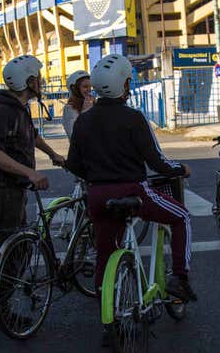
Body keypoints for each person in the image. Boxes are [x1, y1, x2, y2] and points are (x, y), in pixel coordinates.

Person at [66, 54, 197, 317]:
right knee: (181, 216)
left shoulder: (83, 121)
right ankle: (180, 277)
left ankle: (109, 316)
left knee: (105, 254)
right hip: (132, 191)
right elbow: (157, 161)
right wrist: (180, 169)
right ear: (123, 84)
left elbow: (74, 164)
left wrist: (97, 176)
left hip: (97, 195)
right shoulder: (133, 117)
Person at [0, 55, 66, 328]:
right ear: (27, 81)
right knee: (11, 253)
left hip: (12, 189)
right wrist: (30, 172)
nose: (41, 81)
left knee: (19, 248)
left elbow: (31, 135)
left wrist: (53, 154)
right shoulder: (5, 110)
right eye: (37, 77)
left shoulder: (19, 108)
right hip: (2, 190)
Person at [62, 70, 93, 139]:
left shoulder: (91, 103)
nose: (89, 90)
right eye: (85, 87)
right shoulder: (69, 109)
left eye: (90, 87)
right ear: (74, 89)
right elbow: (74, 135)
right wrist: (85, 112)